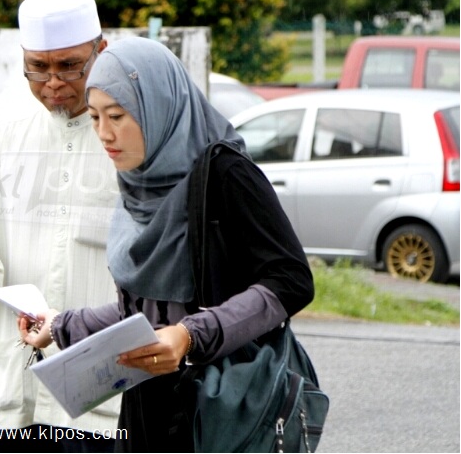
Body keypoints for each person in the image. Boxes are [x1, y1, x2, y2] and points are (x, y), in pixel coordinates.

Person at [20, 36, 315, 452]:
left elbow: (292, 280)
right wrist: (59, 325)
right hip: (148, 410)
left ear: (157, 106)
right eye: (95, 117)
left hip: (222, 410)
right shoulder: (138, 181)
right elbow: (146, 310)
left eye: (118, 116)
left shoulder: (227, 175)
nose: (104, 133)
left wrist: (191, 336)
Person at [0, 0, 121, 452]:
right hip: (14, 390)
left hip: (102, 394)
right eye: (37, 68)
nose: (53, 83)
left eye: (69, 66)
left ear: (101, 51)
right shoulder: (5, 130)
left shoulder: (129, 135)